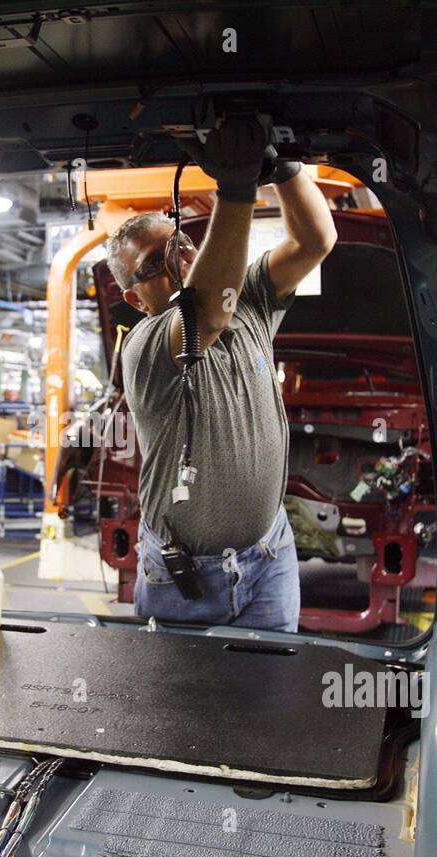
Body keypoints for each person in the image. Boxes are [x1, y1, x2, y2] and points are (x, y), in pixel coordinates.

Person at [109, 116, 336, 631]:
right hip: (188, 578)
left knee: (270, 696)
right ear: (134, 297)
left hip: (270, 553)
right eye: (154, 264)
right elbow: (206, 312)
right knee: (185, 709)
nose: (179, 258)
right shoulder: (146, 345)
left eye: (181, 244)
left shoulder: (249, 301)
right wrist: (236, 187)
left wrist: (282, 165)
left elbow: (316, 241)